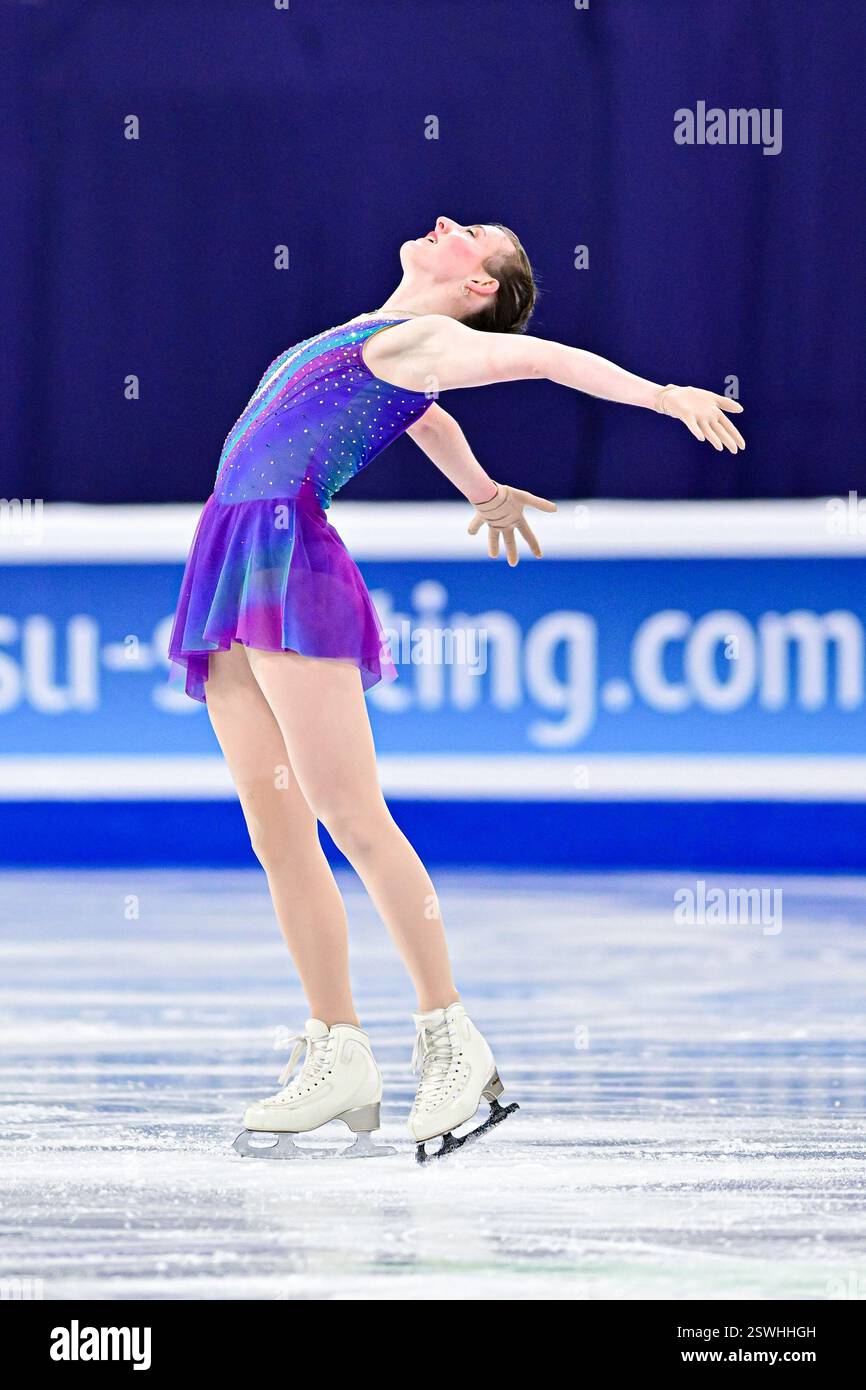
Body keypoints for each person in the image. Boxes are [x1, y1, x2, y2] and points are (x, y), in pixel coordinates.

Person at [168, 216, 745, 1158]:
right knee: (275, 827)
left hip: (282, 557)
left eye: (472, 236)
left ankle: (450, 1035)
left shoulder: (433, 338)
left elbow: (550, 362)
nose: (446, 224)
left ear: (480, 288)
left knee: (350, 815)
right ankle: (338, 1046)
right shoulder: (383, 340)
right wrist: (481, 489)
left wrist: (664, 395)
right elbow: (424, 415)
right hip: (231, 550)